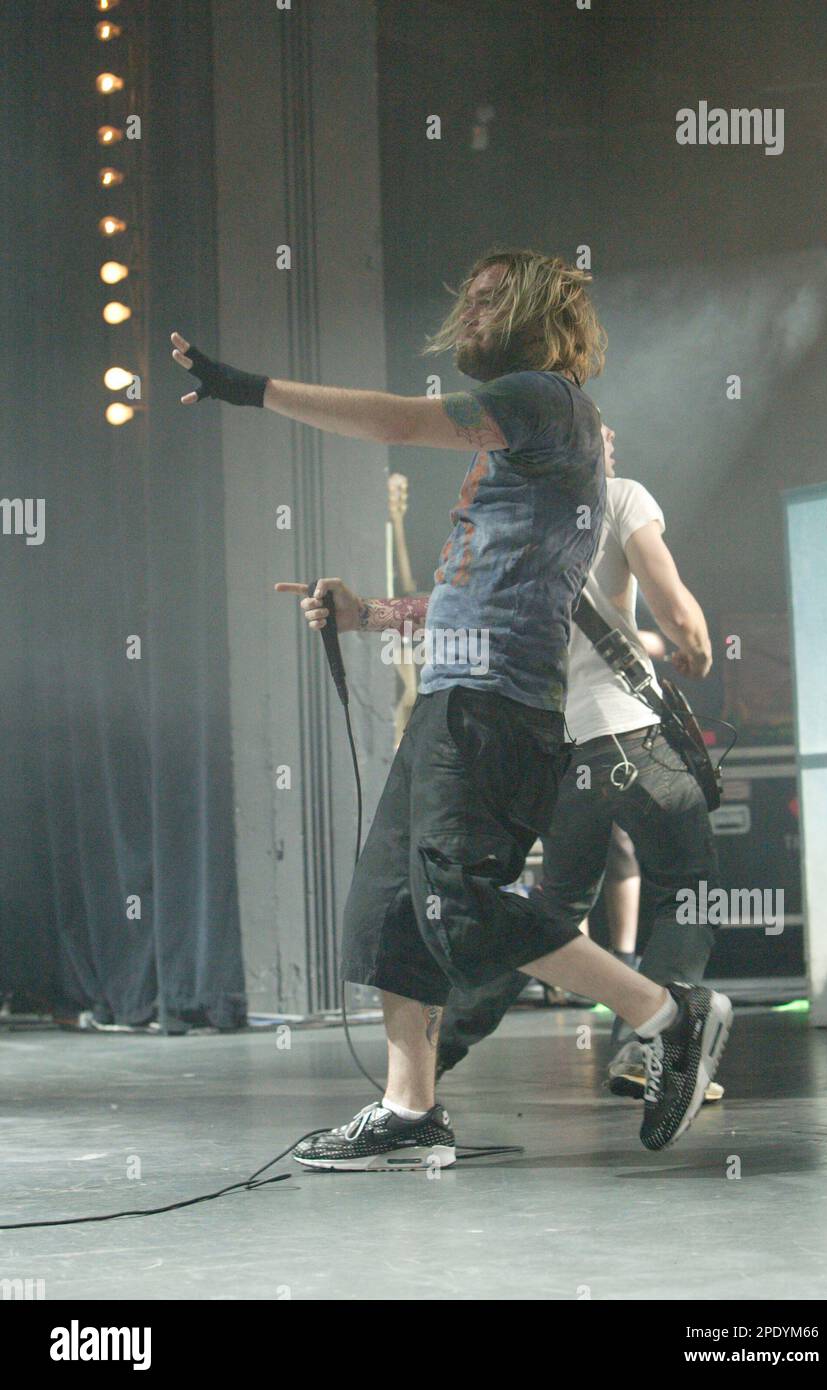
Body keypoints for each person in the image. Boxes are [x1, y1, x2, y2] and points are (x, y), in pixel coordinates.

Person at [172, 247, 732, 1171]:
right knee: (387, 911)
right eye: (464, 301)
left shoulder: (543, 399)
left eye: (485, 301)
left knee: (459, 907)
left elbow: (399, 421)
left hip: (495, 708)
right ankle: (408, 1111)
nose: (466, 317)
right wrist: (369, 615)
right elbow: (489, 586)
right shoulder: (526, 437)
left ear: (533, 311)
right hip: (457, 696)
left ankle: (666, 1016)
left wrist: (250, 388)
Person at [434, 423, 726, 1103]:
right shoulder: (620, 497)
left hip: (557, 753)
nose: (613, 440)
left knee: (551, 913)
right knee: (689, 887)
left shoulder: (500, 527)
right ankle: (652, 1049)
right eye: (598, 433)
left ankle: (432, 1052)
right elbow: (678, 613)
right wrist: (698, 649)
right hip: (630, 739)